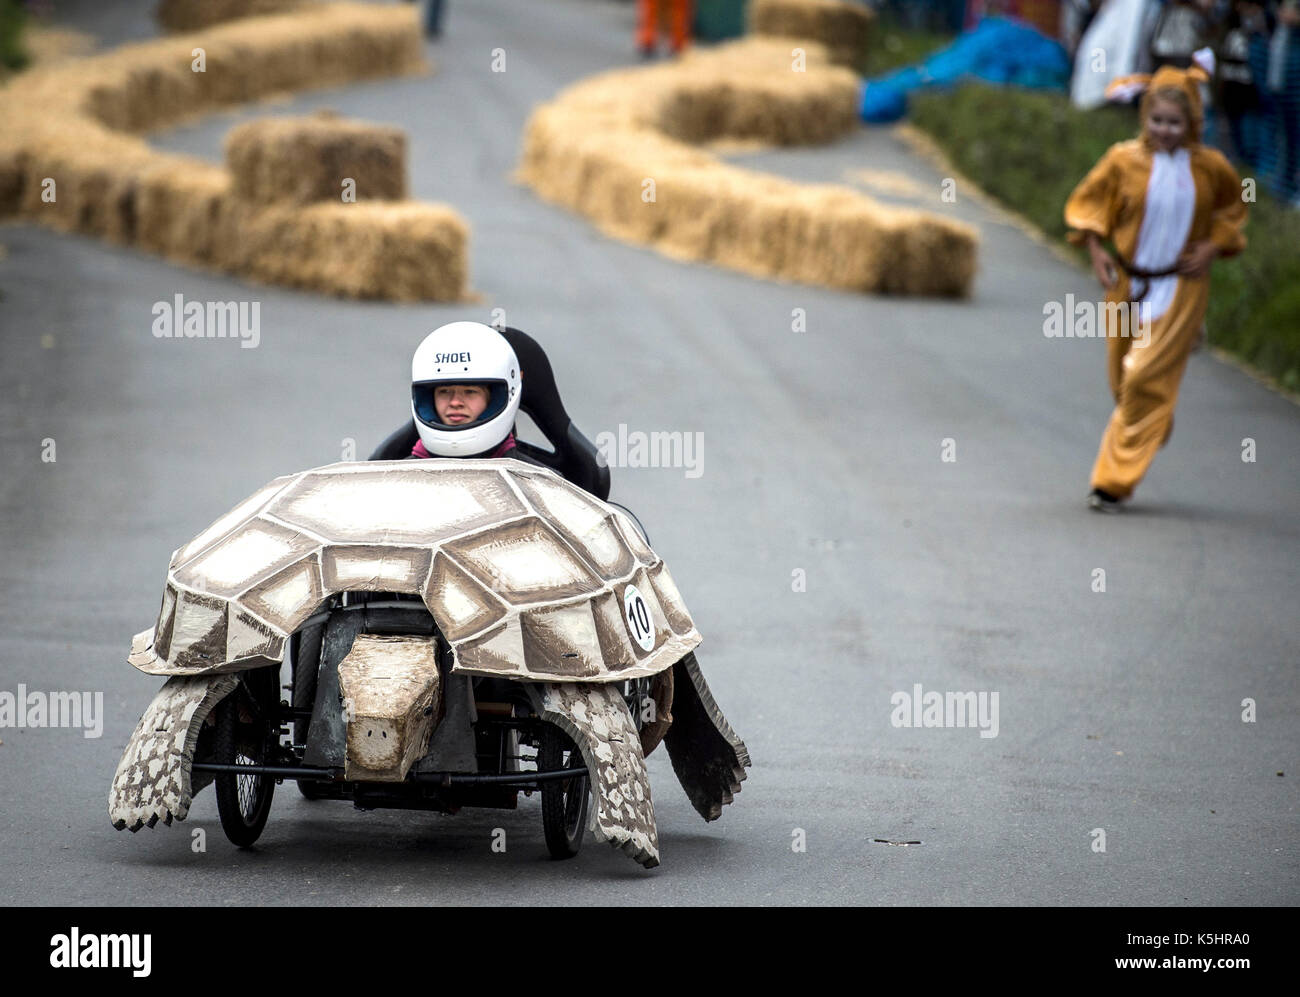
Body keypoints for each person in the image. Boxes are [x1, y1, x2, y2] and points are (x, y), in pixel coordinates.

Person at [1064, 53, 1249, 512]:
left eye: (1175, 122)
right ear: (1145, 116)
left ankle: (1111, 482)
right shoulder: (1122, 161)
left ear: (1191, 123)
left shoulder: (1210, 168)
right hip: (1128, 283)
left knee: (1142, 375)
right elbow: (1088, 204)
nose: (1165, 130)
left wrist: (1212, 247)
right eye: (1158, 120)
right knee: (1123, 379)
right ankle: (1152, 416)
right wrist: (1096, 251)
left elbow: (1233, 209)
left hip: (1181, 290)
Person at [407, 321, 528, 460]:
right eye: (444, 391)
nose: (455, 402)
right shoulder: (393, 480)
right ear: (428, 399)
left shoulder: (536, 479)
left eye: (470, 391)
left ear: (494, 399)